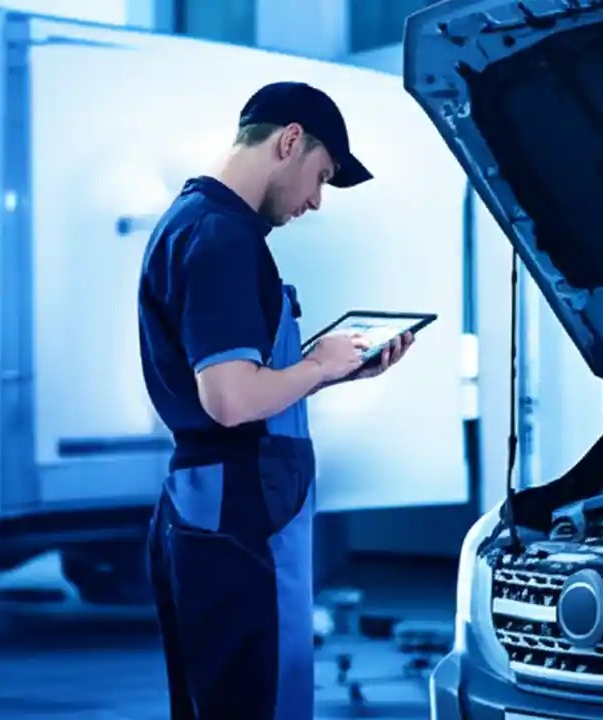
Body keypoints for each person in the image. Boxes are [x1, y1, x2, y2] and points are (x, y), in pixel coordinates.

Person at [136, 81, 414, 719]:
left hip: (209, 505)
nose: (315, 200)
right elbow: (231, 399)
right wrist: (317, 365)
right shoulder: (224, 238)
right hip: (245, 515)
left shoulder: (189, 223)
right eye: (321, 176)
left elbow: (240, 378)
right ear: (290, 140)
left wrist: (329, 370)